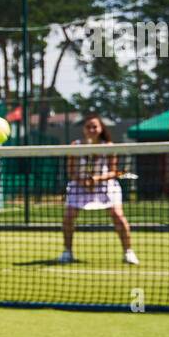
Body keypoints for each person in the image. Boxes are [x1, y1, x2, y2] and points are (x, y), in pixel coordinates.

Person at [58, 113, 139, 265]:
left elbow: (114, 172)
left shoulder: (108, 147)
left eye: (95, 126)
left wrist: (96, 179)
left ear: (101, 128)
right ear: (84, 129)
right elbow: (70, 171)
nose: (91, 129)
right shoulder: (75, 146)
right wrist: (82, 181)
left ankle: (128, 252)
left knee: (118, 216)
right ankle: (67, 252)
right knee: (68, 217)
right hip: (79, 186)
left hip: (105, 186)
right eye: (88, 127)